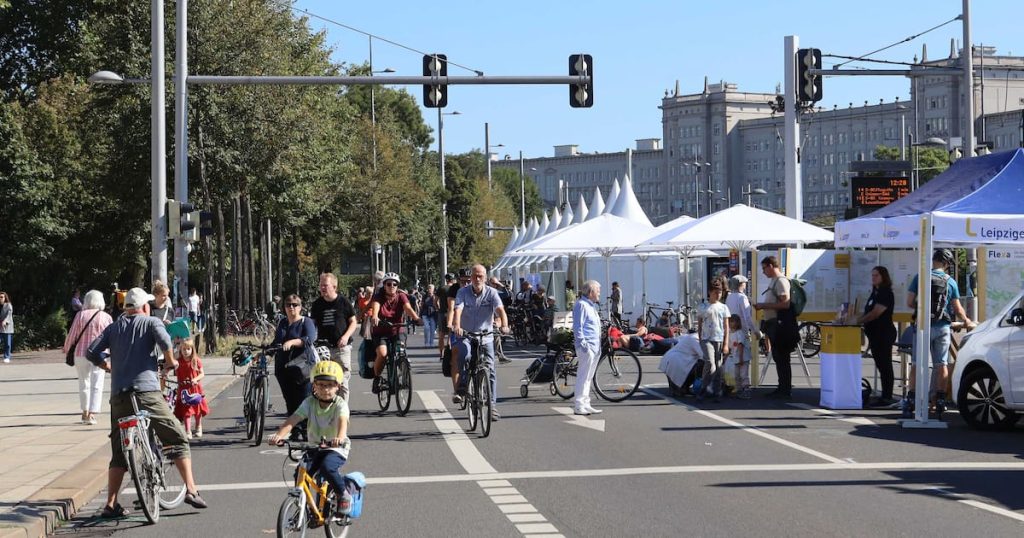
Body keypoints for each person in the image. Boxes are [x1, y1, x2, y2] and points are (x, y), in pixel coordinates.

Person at [85, 287, 208, 517]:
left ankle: (111, 504)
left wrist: (107, 366)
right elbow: (165, 342)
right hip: (147, 393)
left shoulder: (113, 327)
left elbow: (92, 352)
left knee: (119, 451)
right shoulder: (151, 322)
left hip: (120, 397)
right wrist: (170, 362)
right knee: (177, 437)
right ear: (144, 307)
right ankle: (191, 490)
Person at [268, 360, 353, 516]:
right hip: (314, 447)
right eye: (320, 384)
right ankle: (305, 507)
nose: (324, 389)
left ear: (338, 386)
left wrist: (339, 438)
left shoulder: (340, 405)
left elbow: (342, 425)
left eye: (329, 385)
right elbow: (293, 420)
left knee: (328, 468)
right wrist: (279, 435)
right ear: (314, 385)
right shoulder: (309, 403)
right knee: (301, 473)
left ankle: (343, 494)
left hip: (335, 449)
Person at [904, 249, 976, 417]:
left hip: (923, 326)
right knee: (941, 364)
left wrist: (922, 308)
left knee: (916, 363)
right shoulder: (950, 281)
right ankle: (940, 399)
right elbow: (957, 308)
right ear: (946, 264)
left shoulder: (920, 277)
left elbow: (909, 302)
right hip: (943, 327)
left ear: (933, 260)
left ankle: (912, 398)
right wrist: (966, 320)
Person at [452, 264, 510, 419]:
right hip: (466, 334)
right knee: (464, 355)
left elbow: (500, 310)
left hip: (486, 336)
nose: (478, 279)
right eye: (475, 276)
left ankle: (492, 406)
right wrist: (456, 326)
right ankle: (462, 385)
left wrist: (504, 325)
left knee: (490, 369)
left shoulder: (492, 293)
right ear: (470, 277)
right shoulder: (462, 292)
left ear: (485, 278)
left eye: (481, 276)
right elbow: (457, 309)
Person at [63, 290, 113, 424]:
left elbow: (72, 335)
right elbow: (111, 338)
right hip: (99, 354)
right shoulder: (106, 317)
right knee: (97, 383)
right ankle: (92, 413)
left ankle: (84, 412)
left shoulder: (80, 315)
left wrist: (67, 349)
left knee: (83, 382)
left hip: (80, 354)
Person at [272, 293, 318, 441]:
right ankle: (295, 430)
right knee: (290, 399)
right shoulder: (283, 323)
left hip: (302, 367)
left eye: (295, 305)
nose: (291, 308)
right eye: (288, 305)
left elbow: (309, 339)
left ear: (300, 307)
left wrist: (292, 342)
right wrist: (262, 354)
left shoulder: (306, 322)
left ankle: (305, 429)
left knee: (304, 399)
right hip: (283, 367)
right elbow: (276, 342)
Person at [754, 256, 799, 400]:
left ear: (771, 266)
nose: (763, 272)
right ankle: (782, 387)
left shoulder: (781, 281)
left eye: (764, 268)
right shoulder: (775, 281)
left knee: (782, 357)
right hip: (773, 324)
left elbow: (785, 304)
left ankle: (785, 389)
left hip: (779, 325)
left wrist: (763, 306)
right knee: (778, 357)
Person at [369, 273, 420, 395]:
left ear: (398, 286)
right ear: (384, 285)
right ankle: (377, 378)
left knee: (401, 352)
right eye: (388, 284)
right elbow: (375, 306)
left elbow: (408, 308)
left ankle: (403, 372)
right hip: (381, 331)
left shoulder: (401, 296)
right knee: (382, 353)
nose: (392, 286)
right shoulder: (378, 296)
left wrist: (417, 318)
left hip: (398, 330)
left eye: (394, 284)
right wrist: (375, 316)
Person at [310, 273, 357, 401]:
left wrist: (346, 337)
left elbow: (353, 322)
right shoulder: (317, 304)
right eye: (321, 285)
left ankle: (342, 413)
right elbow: (312, 324)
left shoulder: (343, 302)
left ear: (334, 286)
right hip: (322, 348)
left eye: (325, 285)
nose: (322, 288)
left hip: (341, 347)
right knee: (322, 380)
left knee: (342, 379)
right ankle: (325, 410)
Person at [856, 266, 898, 407]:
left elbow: (875, 313)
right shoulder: (875, 292)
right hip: (875, 334)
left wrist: (859, 321)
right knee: (880, 364)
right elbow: (869, 310)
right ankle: (884, 394)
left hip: (884, 333)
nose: (873, 278)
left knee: (885, 364)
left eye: (876, 275)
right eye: (872, 275)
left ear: (883, 277)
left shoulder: (885, 293)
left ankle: (887, 396)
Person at [572, 280, 603, 416]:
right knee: (583, 376)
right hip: (587, 346)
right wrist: (584, 346)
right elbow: (578, 327)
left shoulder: (590, 306)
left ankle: (585, 403)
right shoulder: (581, 305)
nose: (599, 293)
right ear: (590, 292)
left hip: (595, 346)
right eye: (598, 291)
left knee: (588, 377)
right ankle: (579, 405)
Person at [696, 281, 730, 402]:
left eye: (720, 292)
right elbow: (699, 325)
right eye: (715, 292)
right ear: (710, 292)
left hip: (719, 339)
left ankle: (716, 390)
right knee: (710, 363)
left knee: (719, 366)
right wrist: (700, 338)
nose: (718, 295)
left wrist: (726, 344)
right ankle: (704, 388)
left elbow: (726, 326)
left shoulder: (723, 307)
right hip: (707, 339)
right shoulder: (702, 307)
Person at [173, 337, 210, 439]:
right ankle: (188, 430)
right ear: (180, 349)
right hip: (183, 389)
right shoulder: (178, 361)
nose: (186, 351)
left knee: (197, 410)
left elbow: (202, 373)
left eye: (188, 349)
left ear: (192, 349)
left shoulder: (196, 360)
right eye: (183, 349)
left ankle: (198, 426)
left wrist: (196, 379)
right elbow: (172, 359)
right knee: (186, 411)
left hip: (195, 389)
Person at [445, 269, 471, 390]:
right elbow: (451, 308)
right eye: (463, 281)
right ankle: (457, 390)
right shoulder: (454, 289)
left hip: (473, 323)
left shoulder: (477, 288)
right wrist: (450, 324)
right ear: (458, 280)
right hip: (458, 323)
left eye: (468, 281)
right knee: (455, 353)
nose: (465, 284)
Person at [659, 329, 705, 397]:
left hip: (671, 359)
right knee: (699, 366)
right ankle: (681, 388)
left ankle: (680, 388)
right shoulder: (695, 339)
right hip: (676, 360)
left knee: (677, 379)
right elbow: (703, 355)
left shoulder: (689, 336)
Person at [727, 314, 752, 399]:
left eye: (733, 321)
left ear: (738, 323)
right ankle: (739, 389)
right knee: (736, 375)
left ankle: (746, 390)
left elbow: (740, 346)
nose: (731, 323)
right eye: (730, 321)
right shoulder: (730, 334)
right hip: (735, 358)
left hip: (743, 357)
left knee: (744, 374)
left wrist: (741, 358)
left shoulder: (739, 333)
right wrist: (725, 357)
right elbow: (730, 348)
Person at [436, 274, 455, 359]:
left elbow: (435, 301)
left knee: (441, 335)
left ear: (446, 280)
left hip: (442, 313)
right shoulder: (455, 289)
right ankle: (449, 351)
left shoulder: (442, 288)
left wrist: (438, 309)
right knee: (451, 334)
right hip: (452, 313)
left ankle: (442, 353)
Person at [0, 292, 12, 363]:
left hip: (6, 327)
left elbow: (9, 314)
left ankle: (7, 357)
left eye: (2, 297)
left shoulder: (8, 305)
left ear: (5, 298)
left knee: (7, 343)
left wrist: (5, 321)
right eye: (0, 297)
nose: (0, 298)